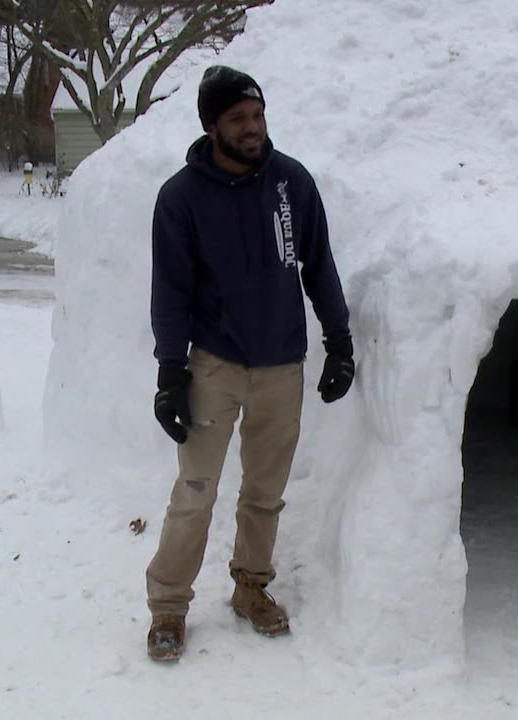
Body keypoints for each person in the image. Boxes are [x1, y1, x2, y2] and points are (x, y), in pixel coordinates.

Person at [145, 65, 355, 662]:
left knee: (265, 492)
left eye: (257, 115)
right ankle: (167, 605)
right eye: (237, 118)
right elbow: (171, 292)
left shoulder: (291, 184)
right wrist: (170, 373)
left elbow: (320, 266)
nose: (252, 128)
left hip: (282, 365)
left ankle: (250, 588)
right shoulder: (180, 198)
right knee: (195, 488)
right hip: (215, 363)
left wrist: (339, 342)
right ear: (212, 126)